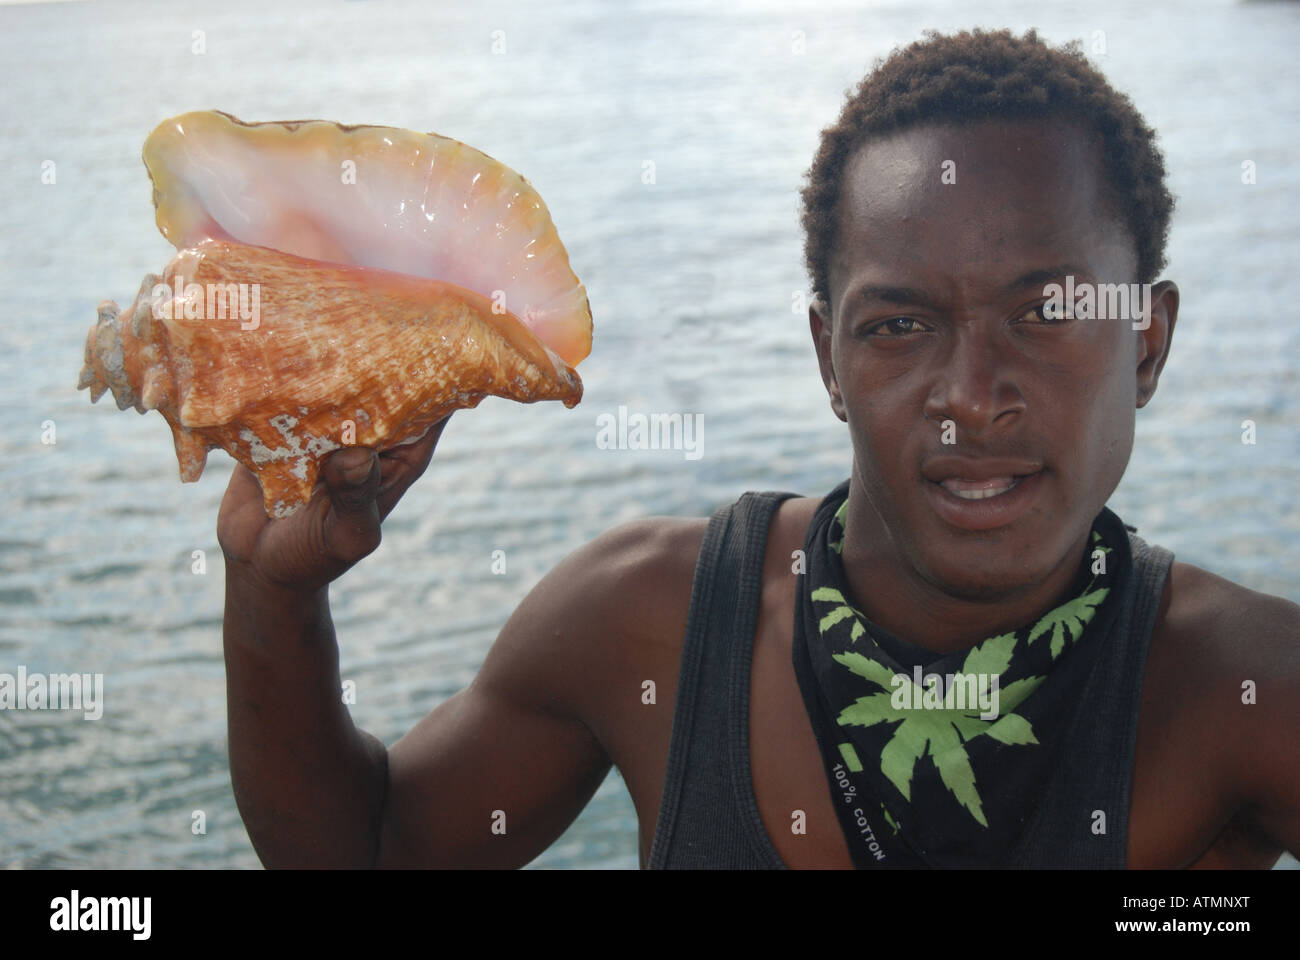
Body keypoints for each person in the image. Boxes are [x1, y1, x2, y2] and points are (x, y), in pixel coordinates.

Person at [218, 27, 1299, 868]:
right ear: (829, 358)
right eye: (898, 326)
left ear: (1145, 342)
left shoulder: (1243, 693)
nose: (971, 398)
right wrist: (272, 591)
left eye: (1046, 312)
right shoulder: (650, 620)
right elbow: (364, 856)